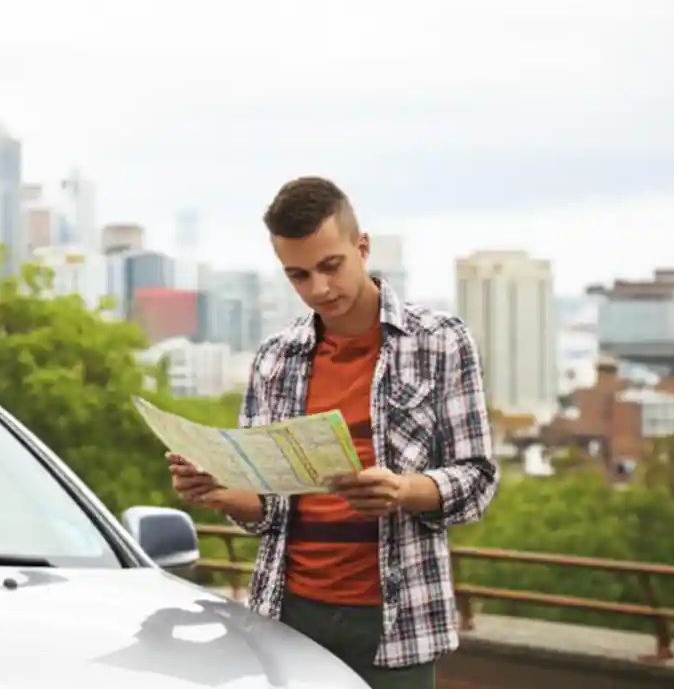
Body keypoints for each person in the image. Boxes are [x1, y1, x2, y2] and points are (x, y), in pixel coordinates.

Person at [169, 177, 498, 688]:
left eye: (330, 266)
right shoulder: (275, 359)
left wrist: (403, 490)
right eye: (298, 275)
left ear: (361, 247)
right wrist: (221, 493)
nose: (318, 289)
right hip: (289, 616)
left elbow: (477, 481)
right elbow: (271, 508)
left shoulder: (440, 343)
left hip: (396, 623)